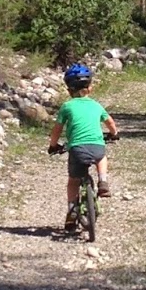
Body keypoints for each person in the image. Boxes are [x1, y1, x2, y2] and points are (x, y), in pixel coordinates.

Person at [46, 62, 118, 232]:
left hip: (77, 150)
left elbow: (57, 130)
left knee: (73, 182)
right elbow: (110, 122)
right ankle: (103, 181)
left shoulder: (67, 107)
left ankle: (72, 211)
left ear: (68, 90)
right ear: (90, 88)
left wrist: (53, 145)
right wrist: (114, 134)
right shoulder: (96, 105)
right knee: (101, 157)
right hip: (96, 146)